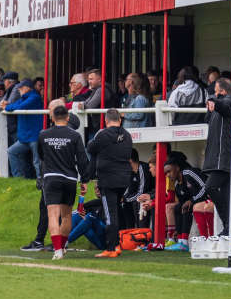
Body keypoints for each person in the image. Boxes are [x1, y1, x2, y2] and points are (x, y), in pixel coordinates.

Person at [36, 104, 89, 260]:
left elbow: (41, 155)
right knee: (66, 215)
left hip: (51, 177)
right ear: (67, 118)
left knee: (53, 214)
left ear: (52, 118)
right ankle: (63, 246)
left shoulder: (43, 135)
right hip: (70, 179)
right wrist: (84, 180)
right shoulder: (75, 136)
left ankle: (57, 250)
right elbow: (82, 159)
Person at [203, 78, 231, 236]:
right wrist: (211, 107)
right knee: (227, 193)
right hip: (223, 155)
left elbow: (224, 106)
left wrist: (213, 101)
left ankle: (228, 226)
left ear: (222, 91)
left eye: (216, 91)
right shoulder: (223, 103)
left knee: (210, 187)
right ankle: (230, 229)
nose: (213, 94)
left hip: (227, 155)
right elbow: (208, 119)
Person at [85, 108, 131, 258]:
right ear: (120, 120)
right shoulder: (127, 135)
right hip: (124, 179)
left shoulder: (103, 134)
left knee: (110, 214)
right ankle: (117, 244)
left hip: (108, 180)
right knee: (116, 210)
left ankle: (111, 248)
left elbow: (90, 148)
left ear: (106, 121)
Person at [2, 79, 43, 178]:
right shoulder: (24, 97)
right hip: (24, 136)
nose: (19, 89)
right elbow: (13, 106)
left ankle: (41, 181)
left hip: (34, 135)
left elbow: (19, 107)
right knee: (11, 151)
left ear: (27, 88)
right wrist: (8, 106)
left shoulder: (35, 97)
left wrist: (8, 107)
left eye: (21, 87)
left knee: (37, 161)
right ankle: (18, 178)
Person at [121, 149, 154, 228]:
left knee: (138, 202)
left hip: (151, 196)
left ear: (130, 160)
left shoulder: (142, 168)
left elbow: (141, 192)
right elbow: (130, 190)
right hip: (141, 198)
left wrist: (124, 199)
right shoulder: (130, 171)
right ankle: (130, 233)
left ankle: (142, 234)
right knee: (125, 205)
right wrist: (122, 198)